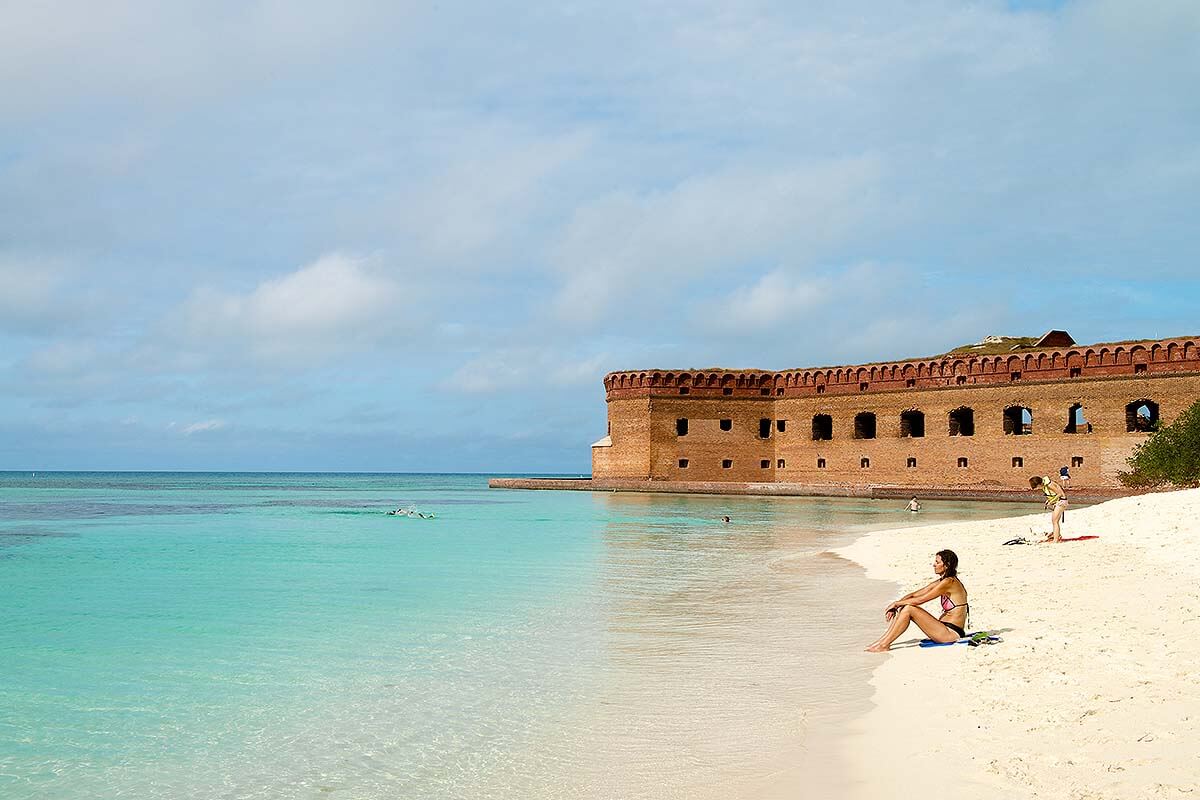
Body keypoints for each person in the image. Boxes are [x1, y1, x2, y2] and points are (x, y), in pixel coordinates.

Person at [866, 550, 969, 652]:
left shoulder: (949, 582)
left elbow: (921, 600)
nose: (934, 565)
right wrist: (897, 606)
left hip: (951, 634)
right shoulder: (942, 581)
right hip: (943, 629)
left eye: (937, 562)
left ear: (947, 565)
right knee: (905, 605)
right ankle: (881, 642)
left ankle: (884, 644)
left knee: (909, 608)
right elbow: (913, 595)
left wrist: (896, 603)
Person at [1029, 475, 1069, 542]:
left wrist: (1051, 501)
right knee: (1054, 521)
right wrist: (1048, 501)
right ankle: (1057, 535)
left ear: (1038, 483)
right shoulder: (1045, 485)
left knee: (1055, 521)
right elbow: (1053, 494)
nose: (1037, 488)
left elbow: (1059, 494)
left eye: (1036, 486)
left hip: (1061, 502)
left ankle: (1055, 540)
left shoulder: (1049, 485)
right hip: (1059, 502)